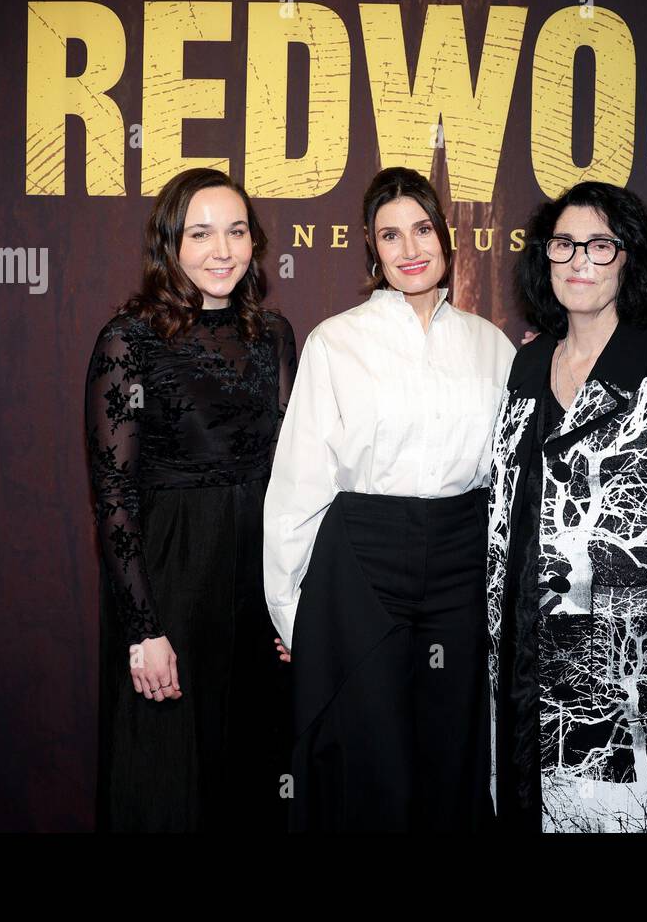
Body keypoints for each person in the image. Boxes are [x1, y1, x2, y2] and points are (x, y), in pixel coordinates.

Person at [486, 181, 647, 833]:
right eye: (565, 244)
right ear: (544, 259)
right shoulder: (525, 367)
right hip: (519, 682)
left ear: (629, 259)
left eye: (600, 244)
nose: (580, 260)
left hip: (633, 705)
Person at [263, 166, 515, 831]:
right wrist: (293, 612)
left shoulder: (493, 348)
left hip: (462, 561)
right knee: (373, 762)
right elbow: (298, 484)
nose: (410, 249)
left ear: (445, 238)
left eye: (423, 229)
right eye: (390, 235)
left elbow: (510, 484)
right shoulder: (336, 342)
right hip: (363, 562)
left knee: (452, 751)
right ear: (371, 252)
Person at [85, 167, 296, 831]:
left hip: (254, 586)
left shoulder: (275, 336)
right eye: (201, 233)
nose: (223, 249)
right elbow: (113, 496)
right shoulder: (130, 341)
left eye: (236, 231)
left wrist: (290, 602)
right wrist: (142, 630)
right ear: (170, 245)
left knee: (249, 778)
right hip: (172, 580)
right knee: (167, 785)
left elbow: (296, 477)